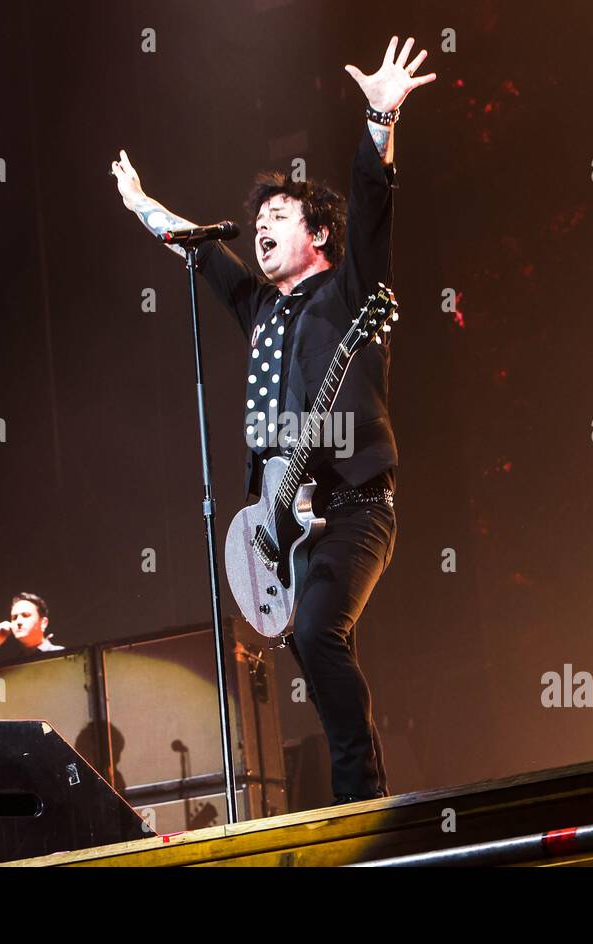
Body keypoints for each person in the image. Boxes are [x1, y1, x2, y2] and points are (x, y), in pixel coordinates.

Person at [111, 37, 435, 804]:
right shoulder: (258, 306)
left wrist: (379, 117)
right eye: (257, 218)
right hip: (277, 522)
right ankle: (350, 796)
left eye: (280, 215)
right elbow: (197, 253)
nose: (260, 226)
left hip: (354, 510)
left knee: (321, 633)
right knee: (314, 655)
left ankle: (362, 802)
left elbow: (371, 199)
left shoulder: (351, 288)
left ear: (317, 235)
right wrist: (143, 207)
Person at [0, 592, 64, 663]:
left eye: (26, 615)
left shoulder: (63, 655)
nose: (18, 622)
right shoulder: (11, 663)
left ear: (43, 623)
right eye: (14, 617)